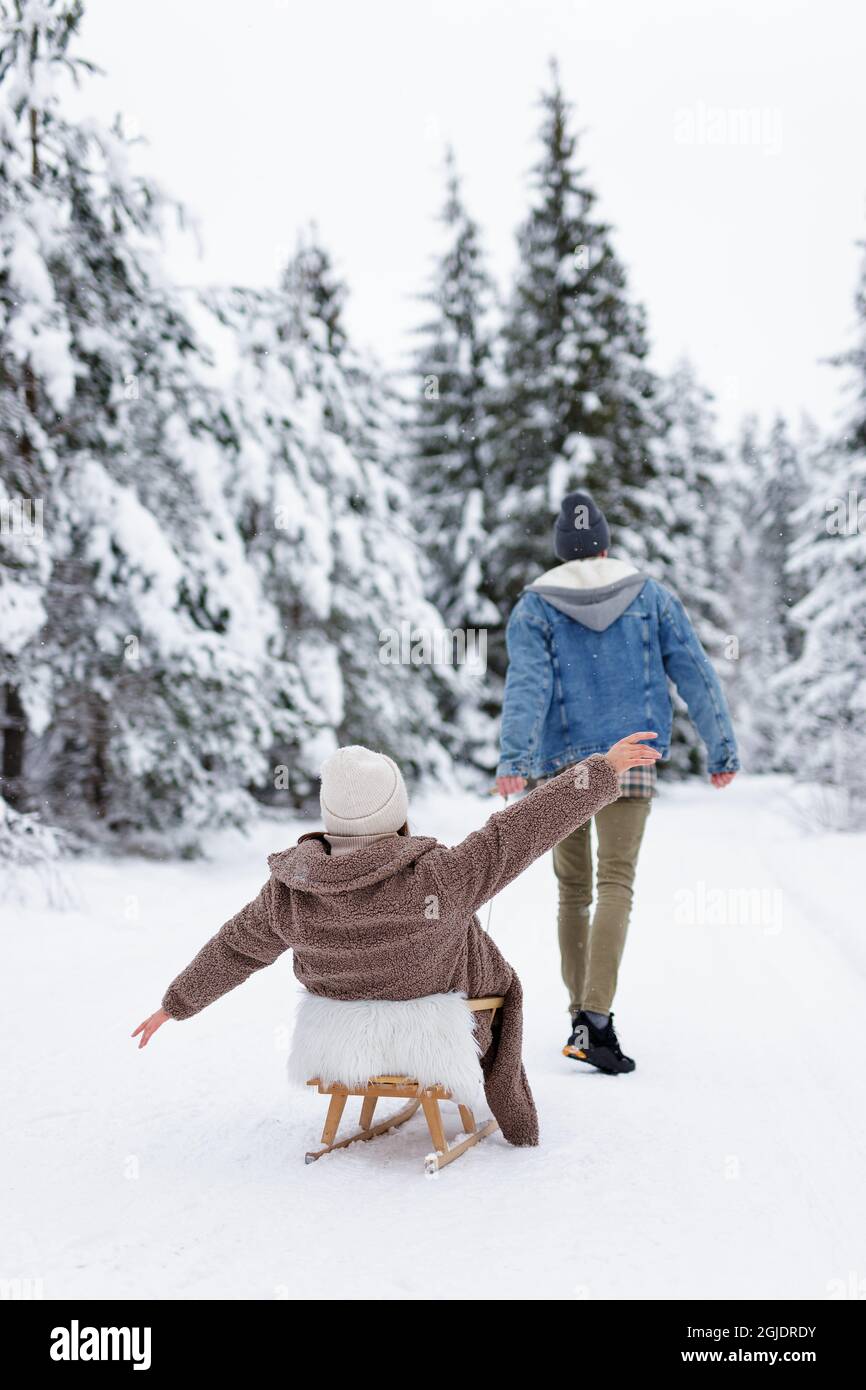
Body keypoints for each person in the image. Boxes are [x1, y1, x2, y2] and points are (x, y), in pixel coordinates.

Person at [134, 736, 659, 1146]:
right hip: (444, 1031)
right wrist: (601, 772)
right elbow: (518, 831)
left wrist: (174, 1004)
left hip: (340, 1037)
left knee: (459, 932)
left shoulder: (292, 891)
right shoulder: (440, 877)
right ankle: (511, 1109)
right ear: (396, 812)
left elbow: (235, 948)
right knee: (489, 963)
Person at [496, 490, 739, 1075]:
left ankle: (581, 1016)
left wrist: (514, 760)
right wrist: (721, 747)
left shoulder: (536, 607)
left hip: (562, 765)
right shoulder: (649, 595)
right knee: (616, 884)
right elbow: (694, 672)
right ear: (605, 543)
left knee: (572, 890)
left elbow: (526, 686)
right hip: (631, 757)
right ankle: (596, 1021)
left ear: (561, 552)